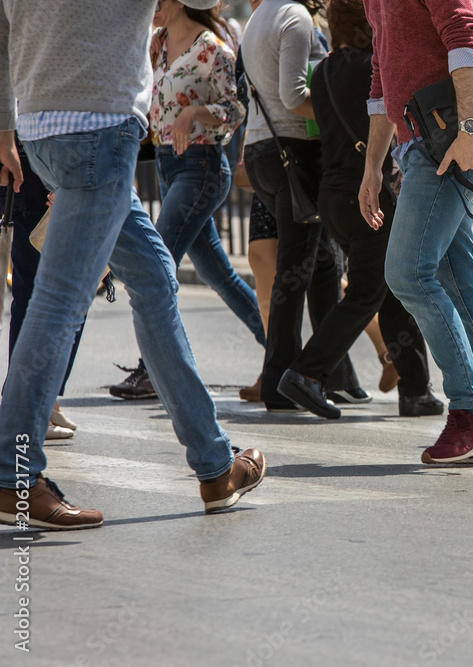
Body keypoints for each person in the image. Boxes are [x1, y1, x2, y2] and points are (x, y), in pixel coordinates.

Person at [0, 0, 266, 530]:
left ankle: (215, 468)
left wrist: (5, 125)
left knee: (153, 279)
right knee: (61, 300)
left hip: (40, 128)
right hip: (99, 126)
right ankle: (13, 475)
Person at [360, 0, 473, 464]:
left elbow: (466, 36)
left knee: (408, 274)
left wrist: (471, 127)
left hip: (449, 139)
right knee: (461, 290)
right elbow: (381, 75)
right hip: (420, 143)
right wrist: (373, 166)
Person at [285, 0, 445, 419]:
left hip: (334, 195)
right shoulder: (375, 65)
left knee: (391, 291)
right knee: (366, 293)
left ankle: (415, 389)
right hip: (370, 194)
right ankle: (307, 373)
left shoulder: (323, 72)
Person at [111, 0, 267, 401]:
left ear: (180, 2)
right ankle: (286, 355)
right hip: (167, 166)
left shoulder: (212, 48)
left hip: (202, 168)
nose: (151, 8)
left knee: (153, 266)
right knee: (220, 276)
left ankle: (153, 371)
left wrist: (193, 112)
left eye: (159, 2)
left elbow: (236, 109)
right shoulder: (155, 45)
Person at [241, 0, 363, 415]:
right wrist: (338, 117)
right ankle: (281, 381)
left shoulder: (259, 16)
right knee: (295, 270)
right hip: (293, 151)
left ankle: (339, 376)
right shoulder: (293, 16)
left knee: (323, 263)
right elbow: (293, 95)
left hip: (265, 151)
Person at [1, 139, 83, 439]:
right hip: (47, 158)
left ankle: (27, 403)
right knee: (69, 291)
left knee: (31, 289)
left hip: (20, 153)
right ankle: (31, 405)